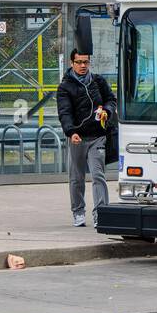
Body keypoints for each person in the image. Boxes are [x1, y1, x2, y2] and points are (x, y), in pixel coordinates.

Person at [56, 50, 116, 227]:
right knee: (76, 177)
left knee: (98, 175)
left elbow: (111, 100)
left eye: (86, 62)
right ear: (71, 63)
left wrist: (107, 110)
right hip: (77, 137)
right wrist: (70, 132)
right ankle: (78, 212)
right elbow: (65, 112)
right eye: (79, 62)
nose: (83, 66)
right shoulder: (65, 87)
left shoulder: (98, 81)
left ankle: (101, 212)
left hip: (98, 137)